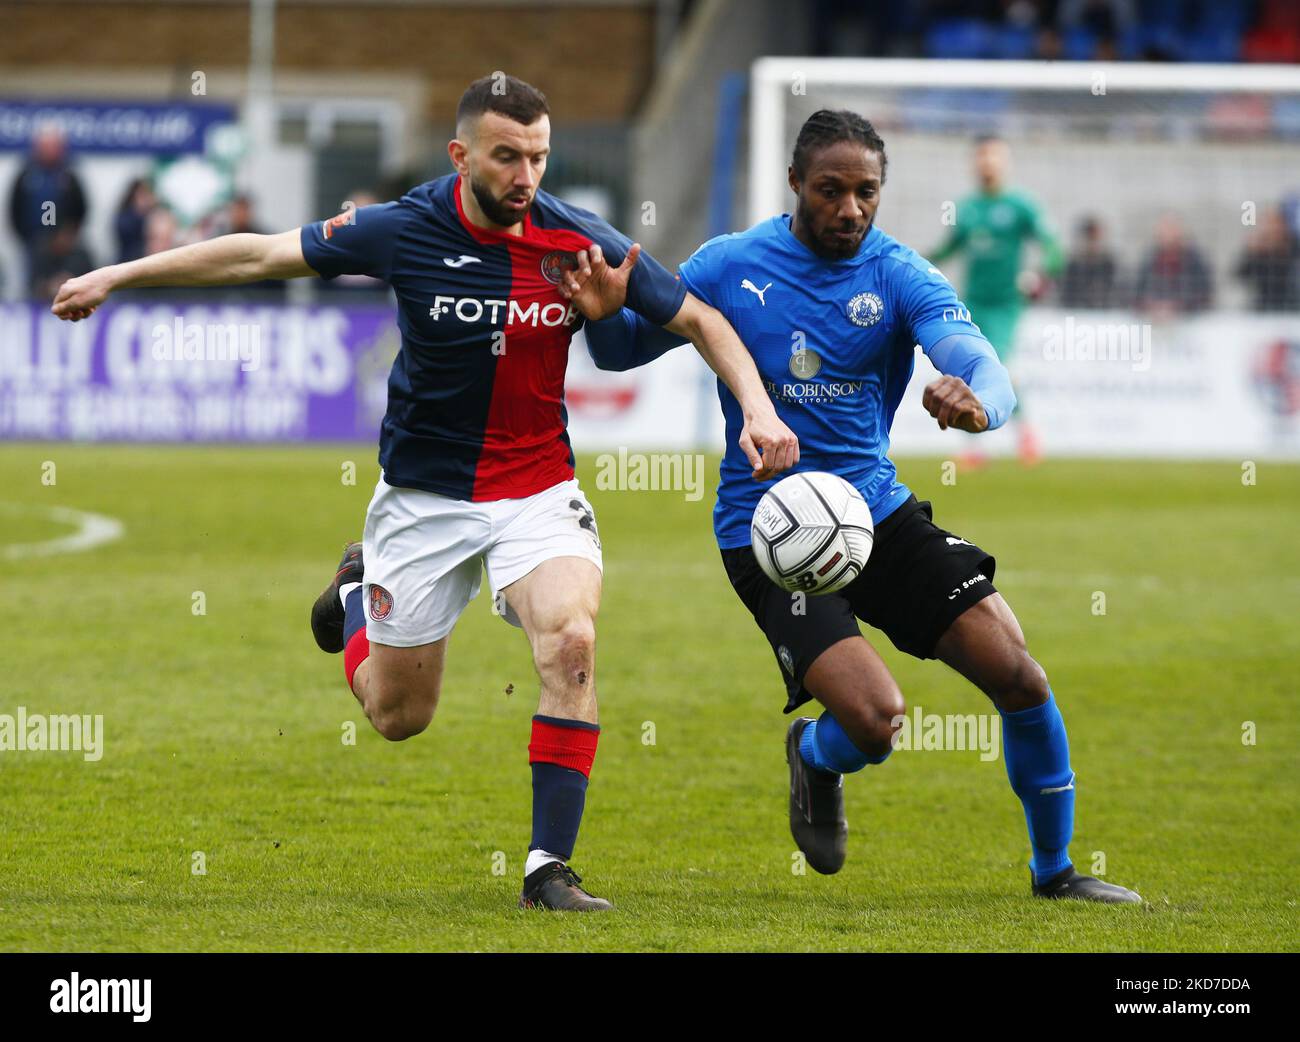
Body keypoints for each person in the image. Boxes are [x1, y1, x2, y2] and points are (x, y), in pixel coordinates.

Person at [50, 75, 798, 913]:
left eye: (539, 158)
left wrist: (757, 409)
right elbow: (259, 252)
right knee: (399, 716)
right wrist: (119, 273)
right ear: (462, 154)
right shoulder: (402, 229)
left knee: (572, 643)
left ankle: (547, 869)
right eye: (507, 156)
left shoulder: (577, 238)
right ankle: (356, 593)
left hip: (537, 488)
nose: (526, 176)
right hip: (423, 499)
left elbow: (698, 318)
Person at [573, 109, 1142, 905]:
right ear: (796, 185)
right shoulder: (729, 264)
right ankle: (818, 753)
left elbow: (982, 362)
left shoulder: (902, 274)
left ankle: (1056, 873)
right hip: (768, 532)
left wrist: (976, 399)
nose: (850, 209)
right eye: (832, 190)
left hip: (874, 512)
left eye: (866, 192)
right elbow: (622, 347)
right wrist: (598, 313)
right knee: (876, 723)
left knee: (1018, 676)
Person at [929, 134, 1062, 465]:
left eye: (994, 157)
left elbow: (1054, 248)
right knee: (966, 367)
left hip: (1005, 304)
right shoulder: (968, 208)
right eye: (982, 157)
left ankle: (1024, 433)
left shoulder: (1020, 206)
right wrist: (913, 264)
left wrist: (1038, 273)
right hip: (971, 302)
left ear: (1005, 162)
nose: (987, 163)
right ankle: (977, 446)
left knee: (994, 364)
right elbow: (948, 248)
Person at [8, 124, 87, 296]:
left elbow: (81, 207)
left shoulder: (69, 176)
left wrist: (69, 234)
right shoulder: (27, 175)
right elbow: (15, 208)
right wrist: (27, 236)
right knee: (36, 285)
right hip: (33, 243)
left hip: (66, 245)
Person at [1133, 213, 1213, 317]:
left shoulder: (1195, 261)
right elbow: (1137, 293)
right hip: (1154, 320)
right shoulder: (1148, 260)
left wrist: (1178, 306)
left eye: (1172, 229)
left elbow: (1205, 293)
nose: (1168, 235)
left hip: (1189, 320)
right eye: (1165, 230)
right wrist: (1152, 306)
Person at [1234, 206, 1300, 312]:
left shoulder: (1294, 246)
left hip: (1293, 309)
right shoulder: (1259, 251)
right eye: (1267, 224)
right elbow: (1239, 275)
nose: (1271, 228)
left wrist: (1281, 251)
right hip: (1263, 309)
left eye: (1274, 223)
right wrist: (1251, 253)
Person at [1059, 215, 1120, 309]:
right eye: (1089, 237)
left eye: (1095, 238)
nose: (1092, 243)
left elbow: (1114, 293)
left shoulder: (1108, 264)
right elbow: (1066, 296)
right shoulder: (1074, 265)